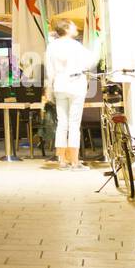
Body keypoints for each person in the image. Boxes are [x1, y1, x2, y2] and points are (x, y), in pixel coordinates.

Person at [45, 18, 98, 170]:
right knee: (74, 124)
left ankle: (61, 160)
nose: (77, 28)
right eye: (74, 26)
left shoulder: (51, 46)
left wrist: (49, 90)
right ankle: (74, 161)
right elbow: (89, 63)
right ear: (67, 28)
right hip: (76, 85)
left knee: (62, 123)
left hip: (59, 85)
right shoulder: (76, 46)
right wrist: (97, 47)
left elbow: (50, 71)